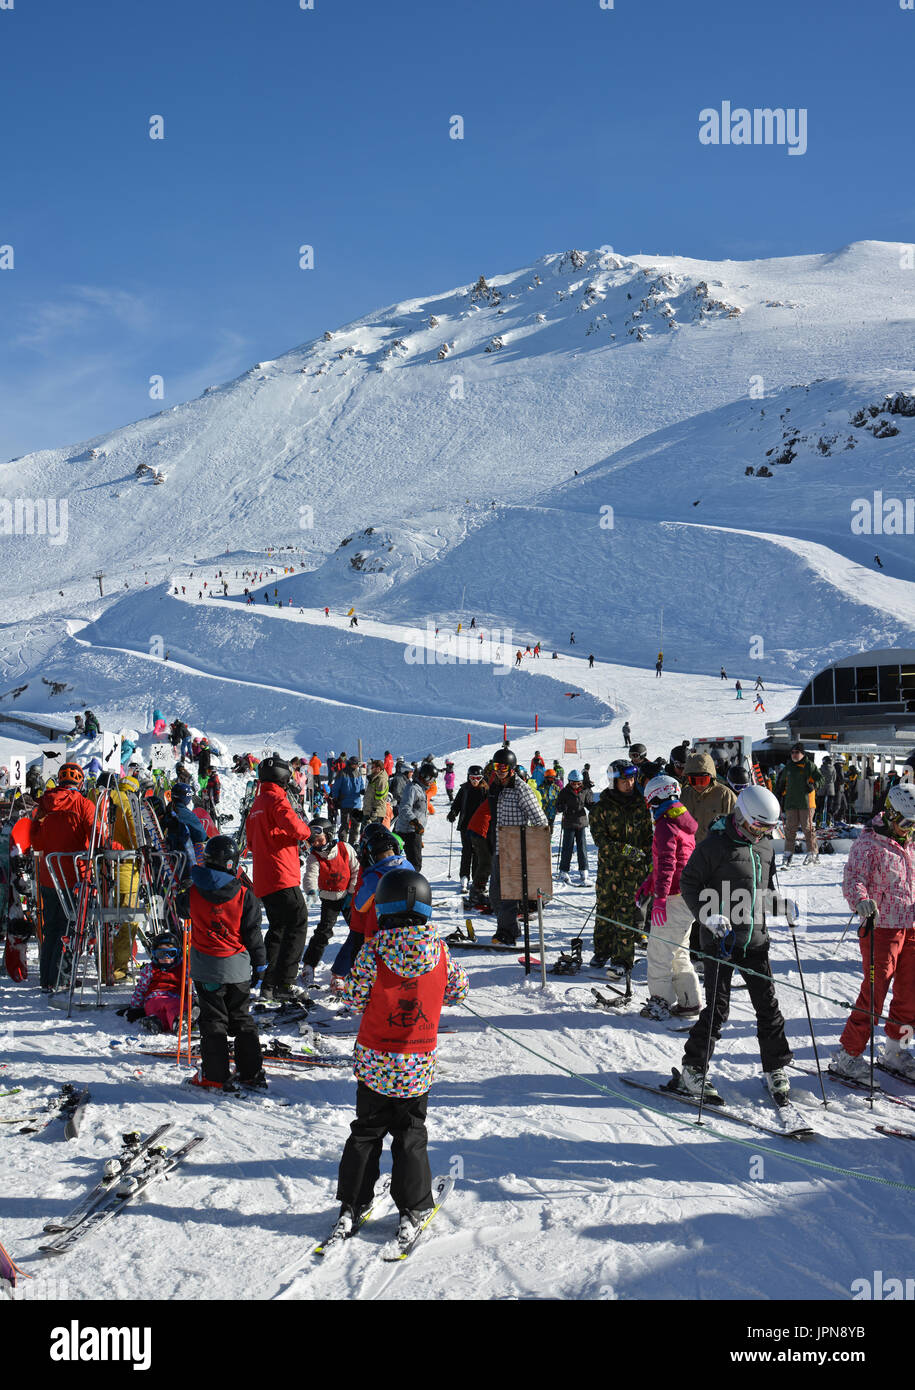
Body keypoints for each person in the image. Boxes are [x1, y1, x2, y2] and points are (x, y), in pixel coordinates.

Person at [332, 870, 469, 1245]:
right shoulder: (438, 948)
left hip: (376, 1061)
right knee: (410, 1134)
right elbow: (459, 989)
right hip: (415, 1064)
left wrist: (349, 987)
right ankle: (414, 1205)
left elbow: (354, 998)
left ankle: (352, 1203)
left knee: (366, 1132)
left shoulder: (374, 950)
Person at [675, 785, 793, 1103]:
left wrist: (780, 905)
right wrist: (707, 915)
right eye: (757, 826)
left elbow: (764, 889)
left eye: (767, 829)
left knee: (768, 1007)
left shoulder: (765, 848)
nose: (760, 834)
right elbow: (689, 883)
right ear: (741, 815)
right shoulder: (713, 846)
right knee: (717, 1008)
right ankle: (693, 1068)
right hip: (720, 940)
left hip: (755, 940)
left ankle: (775, 1067)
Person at [830, 783, 915, 1083]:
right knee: (874, 994)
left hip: (911, 926)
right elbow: (853, 878)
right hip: (880, 927)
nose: (910, 829)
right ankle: (848, 1055)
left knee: (910, 993)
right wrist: (861, 900)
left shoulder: (911, 842)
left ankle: (896, 1049)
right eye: (906, 822)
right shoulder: (869, 843)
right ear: (891, 814)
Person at [187, 835, 267, 1092]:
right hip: (237, 967)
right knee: (242, 1018)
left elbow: (179, 909)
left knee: (213, 1020)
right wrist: (261, 963)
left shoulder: (192, 891)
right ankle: (251, 1072)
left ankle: (215, 1074)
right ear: (232, 863)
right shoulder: (245, 894)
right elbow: (252, 933)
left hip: (207, 966)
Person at [245, 755, 312, 1003]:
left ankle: (268, 984)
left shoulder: (258, 802)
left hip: (263, 876)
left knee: (278, 928)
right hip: (281, 873)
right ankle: (285, 982)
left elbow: (250, 843)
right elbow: (298, 828)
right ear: (283, 777)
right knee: (298, 921)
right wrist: (306, 833)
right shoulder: (276, 798)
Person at [636, 775, 700, 1020]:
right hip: (687, 896)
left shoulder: (665, 824)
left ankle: (660, 1002)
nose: (650, 809)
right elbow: (671, 861)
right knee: (679, 951)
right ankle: (689, 1001)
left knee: (659, 952)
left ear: (657, 798)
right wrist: (649, 883)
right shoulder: (682, 821)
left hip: (673, 897)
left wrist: (660, 897)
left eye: (650, 803)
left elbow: (667, 863)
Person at [30, 762, 96, 989]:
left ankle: (48, 978)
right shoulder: (84, 804)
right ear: (80, 782)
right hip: (74, 876)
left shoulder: (43, 805)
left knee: (51, 928)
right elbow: (97, 837)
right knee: (70, 928)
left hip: (48, 876)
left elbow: (34, 839)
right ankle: (62, 978)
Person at [588, 760, 653, 970]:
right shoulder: (601, 808)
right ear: (613, 781)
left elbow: (648, 836)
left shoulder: (641, 805)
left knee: (626, 913)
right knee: (605, 911)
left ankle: (622, 960)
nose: (629, 783)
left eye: (632, 779)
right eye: (624, 780)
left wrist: (649, 857)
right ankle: (602, 951)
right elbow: (601, 840)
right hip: (609, 870)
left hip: (634, 872)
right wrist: (627, 851)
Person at [487, 749, 548, 946]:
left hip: (514, 848)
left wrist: (532, 848)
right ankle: (509, 927)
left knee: (508, 894)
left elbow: (540, 820)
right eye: (497, 767)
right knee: (495, 893)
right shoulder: (497, 787)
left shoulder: (521, 789)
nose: (500, 771)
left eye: (503, 767)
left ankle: (506, 932)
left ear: (512, 768)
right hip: (499, 846)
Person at [301, 818, 358, 984]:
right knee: (323, 931)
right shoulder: (314, 857)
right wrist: (311, 891)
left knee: (357, 931)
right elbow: (310, 875)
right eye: (314, 842)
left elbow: (356, 870)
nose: (318, 844)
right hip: (329, 899)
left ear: (329, 835)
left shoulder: (345, 849)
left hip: (347, 897)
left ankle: (356, 966)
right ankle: (309, 965)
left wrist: (352, 892)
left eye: (320, 839)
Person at [119, 932, 183, 1034]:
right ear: (154, 954)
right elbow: (141, 989)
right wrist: (134, 1008)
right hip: (154, 999)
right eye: (161, 954)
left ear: (178, 953)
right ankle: (170, 1022)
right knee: (166, 1008)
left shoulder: (183, 968)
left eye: (171, 953)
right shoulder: (150, 969)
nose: (166, 957)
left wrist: (193, 1000)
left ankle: (169, 1023)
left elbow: (189, 986)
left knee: (174, 1008)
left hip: (175, 998)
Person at [775, 743, 822, 865]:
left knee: (807, 828)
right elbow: (782, 782)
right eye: (792, 752)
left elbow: (821, 779)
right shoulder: (788, 767)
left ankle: (812, 853)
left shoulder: (809, 766)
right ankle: (788, 854)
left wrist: (813, 786)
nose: (794, 755)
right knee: (790, 830)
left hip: (806, 803)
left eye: (797, 752)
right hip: (791, 803)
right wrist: (778, 793)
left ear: (802, 754)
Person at [447, 765, 488, 896]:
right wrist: (453, 812)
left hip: (480, 827)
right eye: (472, 778)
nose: (475, 781)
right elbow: (457, 804)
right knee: (467, 851)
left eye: (477, 778)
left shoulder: (486, 791)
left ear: (482, 778)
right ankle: (464, 877)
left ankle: (476, 879)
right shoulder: (464, 789)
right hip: (466, 825)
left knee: (478, 853)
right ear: (468, 777)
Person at [680, 752, 737, 843]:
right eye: (693, 780)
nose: (698, 785)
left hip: (715, 852)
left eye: (703, 780)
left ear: (711, 777)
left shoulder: (725, 796)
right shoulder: (684, 795)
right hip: (689, 852)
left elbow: (737, 827)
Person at [556, 771, 590, 884]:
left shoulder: (585, 791)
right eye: (573, 783)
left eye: (578, 783)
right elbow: (558, 805)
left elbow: (589, 803)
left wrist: (595, 806)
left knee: (582, 847)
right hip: (569, 823)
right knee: (567, 847)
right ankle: (564, 870)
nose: (576, 785)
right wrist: (562, 807)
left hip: (581, 822)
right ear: (569, 782)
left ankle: (583, 869)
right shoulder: (564, 792)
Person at [394, 765, 430, 870]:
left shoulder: (420, 789)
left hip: (414, 830)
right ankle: (409, 884)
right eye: (430, 778)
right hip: (408, 831)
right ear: (423, 776)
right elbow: (404, 808)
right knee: (414, 863)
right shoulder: (413, 788)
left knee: (415, 863)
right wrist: (415, 822)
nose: (431, 782)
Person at [332, 757, 367, 844]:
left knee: (356, 826)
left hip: (357, 804)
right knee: (345, 825)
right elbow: (336, 787)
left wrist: (363, 790)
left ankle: (352, 844)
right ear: (351, 763)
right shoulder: (342, 773)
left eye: (358, 764)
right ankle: (343, 844)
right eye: (356, 764)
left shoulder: (358, 773)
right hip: (345, 803)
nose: (357, 766)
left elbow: (362, 785)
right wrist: (335, 799)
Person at [364, 759, 390, 824]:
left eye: (372, 767)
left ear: (378, 769)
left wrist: (374, 811)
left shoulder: (381, 780)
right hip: (369, 811)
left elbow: (379, 798)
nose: (371, 769)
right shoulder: (374, 778)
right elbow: (372, 794)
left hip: (376, 814)